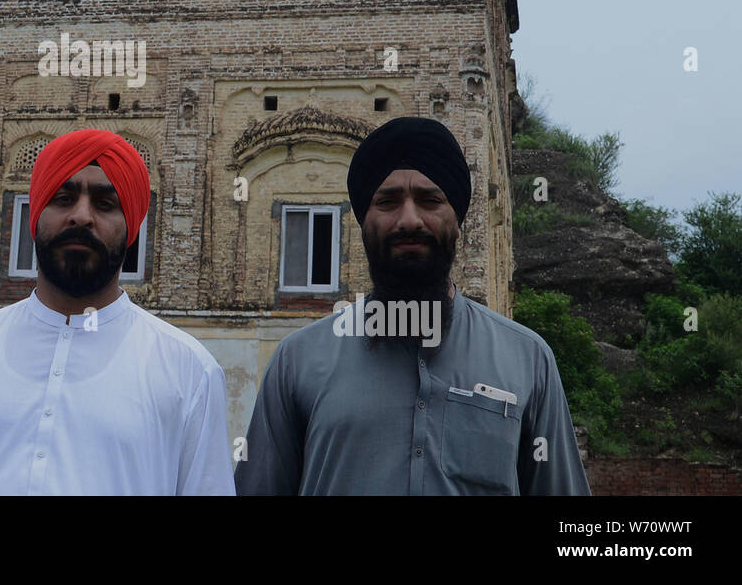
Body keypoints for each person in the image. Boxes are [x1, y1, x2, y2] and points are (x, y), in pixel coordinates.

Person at [234, 116, 590, 495]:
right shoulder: (298, 361)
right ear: (363, 222)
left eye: (429, 200)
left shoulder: (527, 359)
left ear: (458, 222)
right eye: (387, 202)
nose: (408, 219)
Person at [0, 128, 235, 495]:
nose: (81, 217)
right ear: (34, 215)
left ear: (131, 227)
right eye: (64, 198)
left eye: (104, 203)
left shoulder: (189, 370)